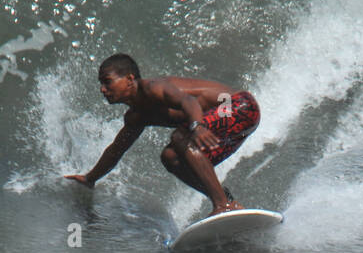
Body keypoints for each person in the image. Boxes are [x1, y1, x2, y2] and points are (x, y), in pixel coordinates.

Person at [64, 53, 260, 216]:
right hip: (232, 125)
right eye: (101, 84)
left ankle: (222, 205)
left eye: (108, 82)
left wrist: (197, 127)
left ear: (130, 79)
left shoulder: (154, 88)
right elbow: (116, 150)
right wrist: (90, 178)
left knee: (180, 138)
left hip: (238, 105)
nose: (103, 89)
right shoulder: (136, 117)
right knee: (170, 157)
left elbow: (188, 101)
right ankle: (227, 201)